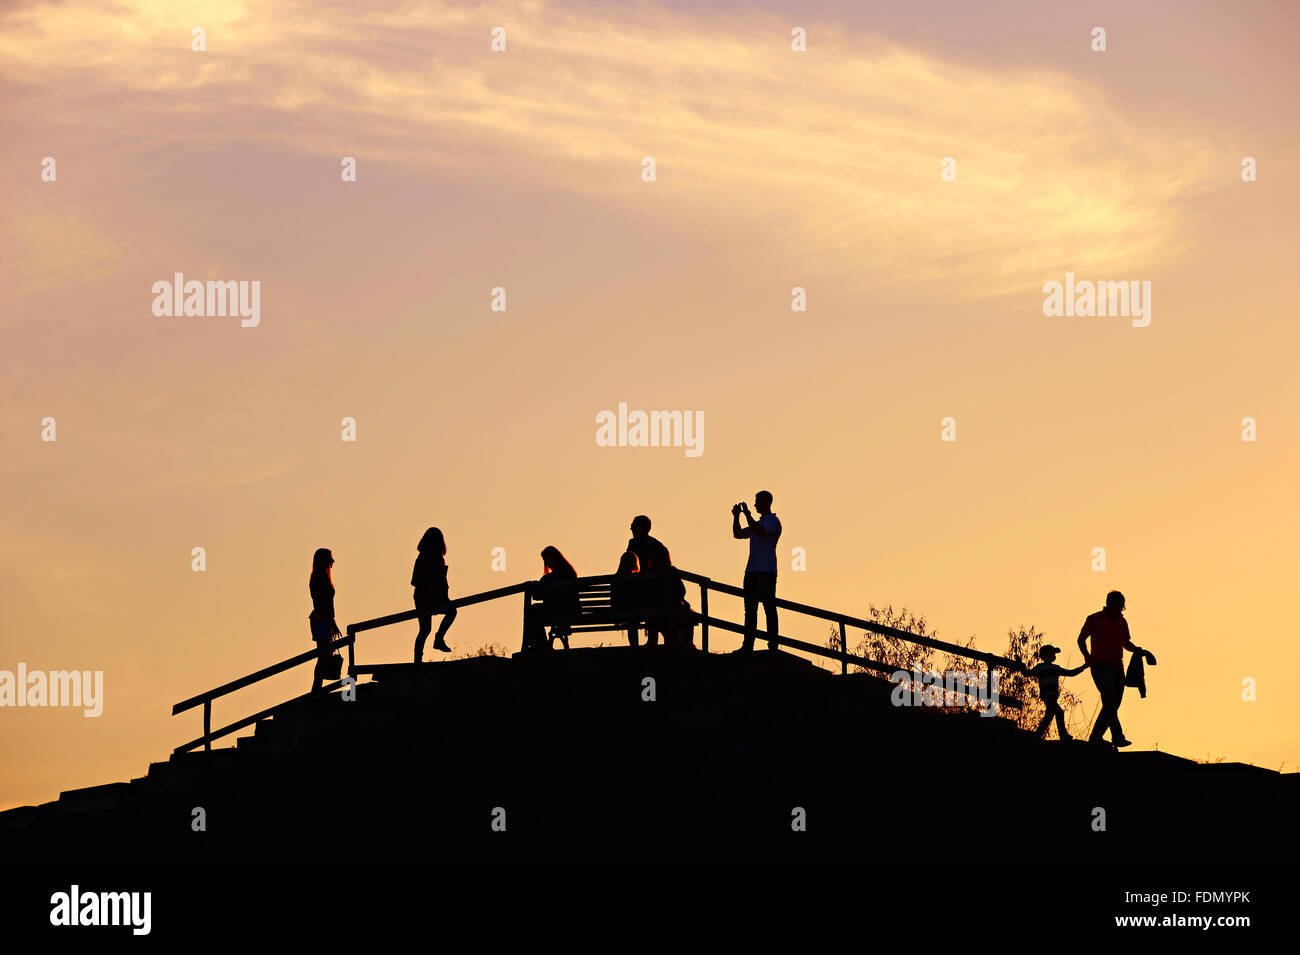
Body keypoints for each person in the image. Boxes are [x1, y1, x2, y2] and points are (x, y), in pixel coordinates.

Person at [1076, 590, 1145, 747]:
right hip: (1100, 665)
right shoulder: (1094, 619)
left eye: (1122, 606)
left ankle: (1096, 738)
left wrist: (1137, 650)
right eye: (1119, 605)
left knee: (1113, 704)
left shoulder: (1122, 621)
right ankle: (1117, 736)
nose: (1121, 609)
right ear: (1110, 603)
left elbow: (1125, 643)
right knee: (1109, 700)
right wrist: (1087, 656)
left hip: (1117, 667)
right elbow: (1081, 639)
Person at [731, 490, 782, 652]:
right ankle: (748, 645)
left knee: (769, 608)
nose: (755, 505)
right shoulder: (758, 522)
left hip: (766, 571)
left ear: (766, 502)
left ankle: (772, 645)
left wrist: (747, 514)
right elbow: (738, 534)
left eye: (757, 501)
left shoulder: (773, 521)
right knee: (750, 609)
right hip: (752, 571)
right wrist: (736, 516)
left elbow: (759, 531)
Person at [625, 515, 684, 647]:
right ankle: (660, 641)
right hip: (659, 597)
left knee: (638, 606)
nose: (631, 529)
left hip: (645, 598)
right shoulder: (659, 547)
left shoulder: (634, 545)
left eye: (633, 527)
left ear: (640, 528)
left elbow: (628, 569)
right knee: (655, 603)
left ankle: (638, 646)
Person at [412, 527, 457, 662]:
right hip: (424, 597)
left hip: (430, 596)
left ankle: (434, 643)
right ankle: (420, 657)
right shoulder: (426, 557)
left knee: (425, 629)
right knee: (425, 629)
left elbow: (441, 580)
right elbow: (416, 581)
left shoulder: (431, 556)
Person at [523, 546, 579, 651]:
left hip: (558, 611)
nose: (546, 563)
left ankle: (540, 645)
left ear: (553, 558)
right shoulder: (570, 572)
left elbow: (537, 596)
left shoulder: (552, 577)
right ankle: (540, 645)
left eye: (546, 559)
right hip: (572, 610)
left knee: (532, 611)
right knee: (534, 611)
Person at [1027, 645, 1086, 740]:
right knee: (1059, 712)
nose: (1054, 655)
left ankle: (1037, 735)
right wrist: (1019, 664)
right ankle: (1063, 735)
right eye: (1051, 653)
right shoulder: (1040, 667)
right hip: (1047, 695)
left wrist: (1083, 667)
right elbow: (1027, 673)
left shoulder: (1056, 668)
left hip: (1053, 696)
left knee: (1049, 716)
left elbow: (1071, 673)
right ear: (1044, 655)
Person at [308, 548, 341, 693]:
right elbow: (323, 603)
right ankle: (316, 690)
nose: (333, 561)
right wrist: (331, 621)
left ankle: (317, 689)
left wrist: (332, 622)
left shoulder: (320, 577)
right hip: (321, 620)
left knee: (325, 656)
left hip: (322, 619)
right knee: (324, 656)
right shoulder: (320, 578)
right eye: (330, 558)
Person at [613, 550, 641, 646]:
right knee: (632, 618)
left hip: (619, 610)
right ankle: (635, 646)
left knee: (631, 618)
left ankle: (633, 646)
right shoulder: (635, 580)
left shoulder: (615, 579)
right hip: (632, 612)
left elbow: (614, 599)